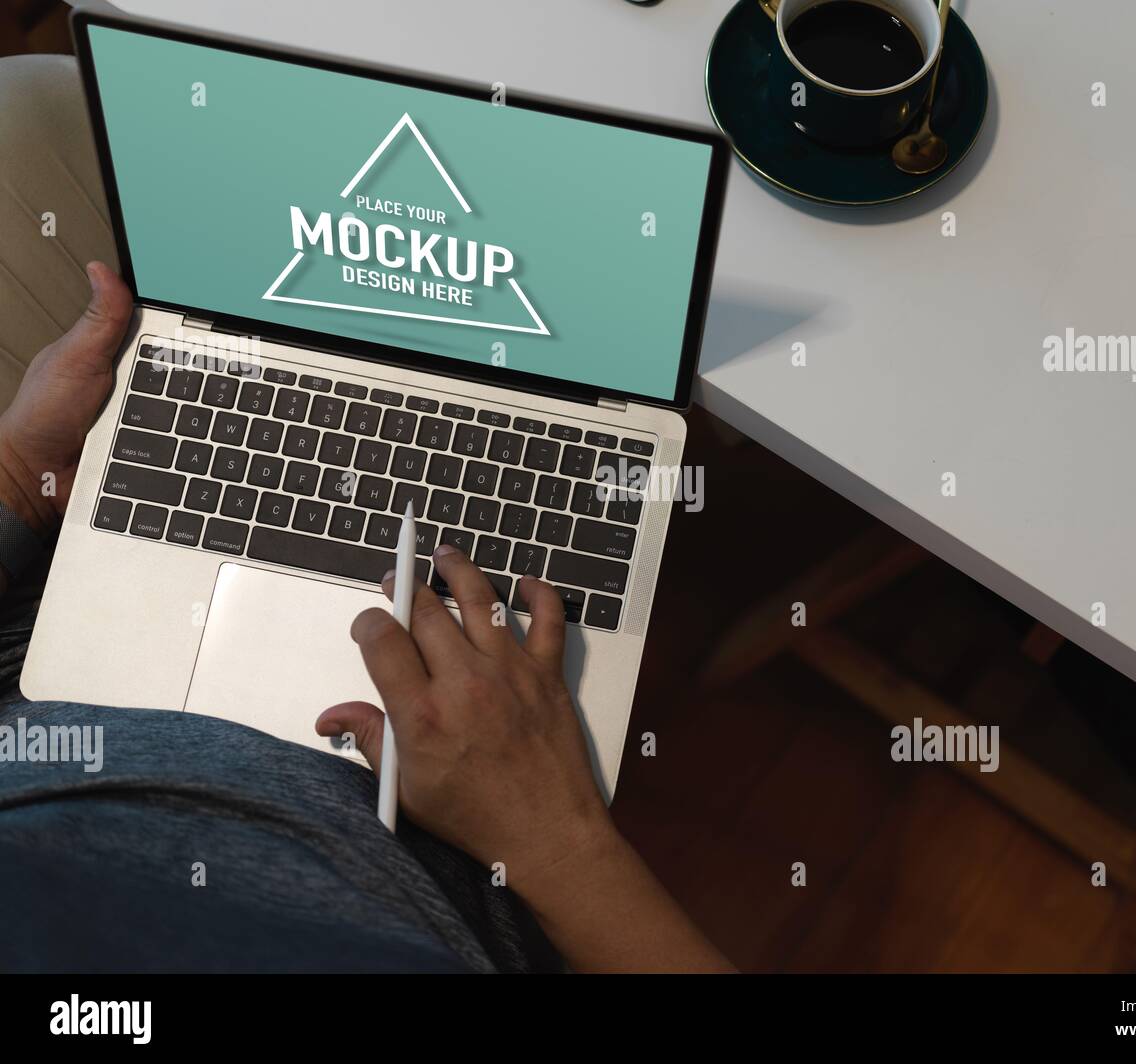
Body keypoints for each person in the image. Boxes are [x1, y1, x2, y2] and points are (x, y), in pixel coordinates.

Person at [0, 53, 731, 974]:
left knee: (28, 104)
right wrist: (554, 840)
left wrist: (22, 478)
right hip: (447, 852)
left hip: (26, 694)